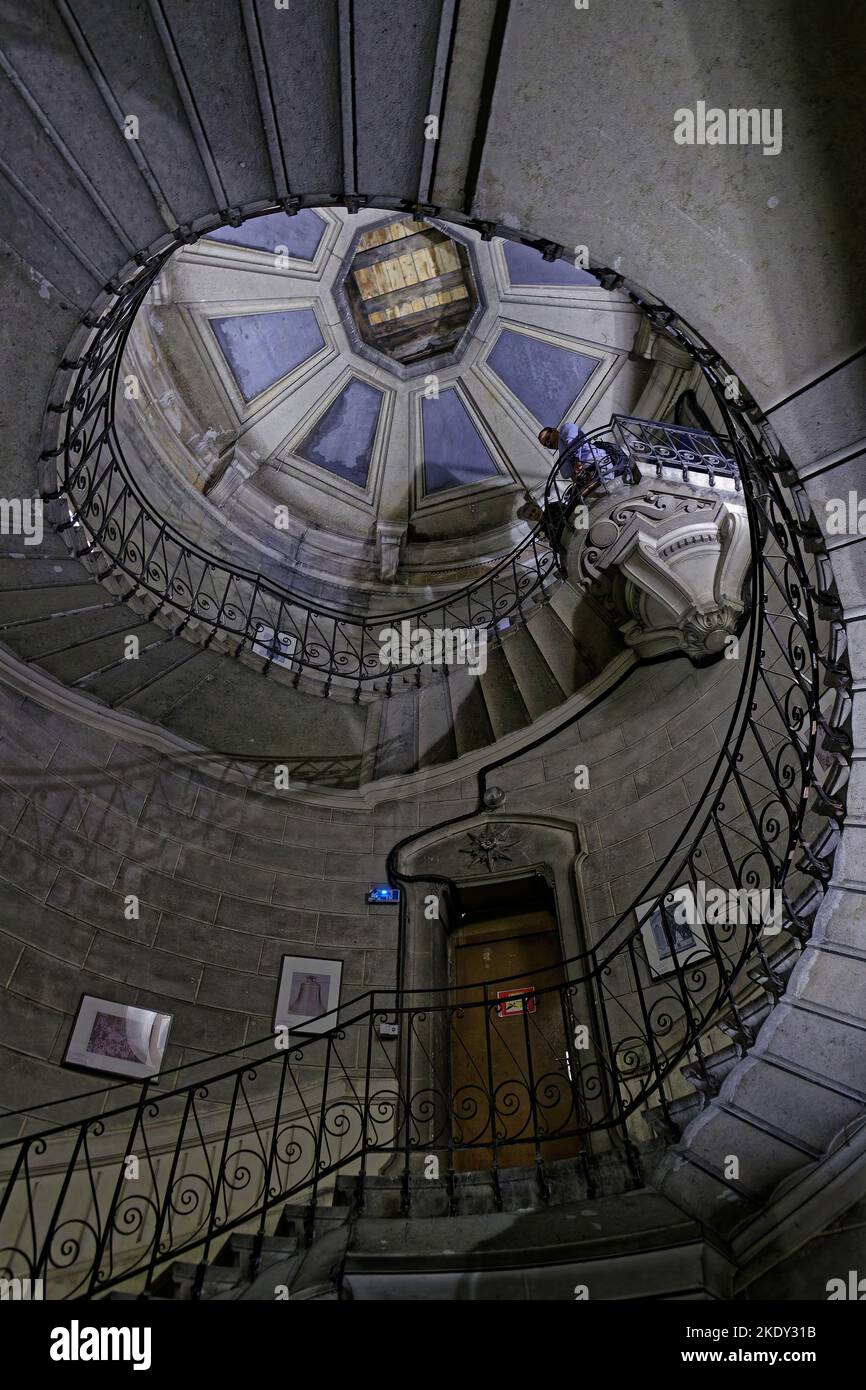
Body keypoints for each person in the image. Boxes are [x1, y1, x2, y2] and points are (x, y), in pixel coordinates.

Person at [538, 422, 631, 490]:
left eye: (547, 438)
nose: (548, 443)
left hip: (599, 463)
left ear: (554, 430)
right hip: (591, 477)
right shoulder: (562, 455)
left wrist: (575, 462)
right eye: (546, 444)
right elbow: (566, 474)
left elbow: (573, 443)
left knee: (617, 489)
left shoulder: (565, 428)